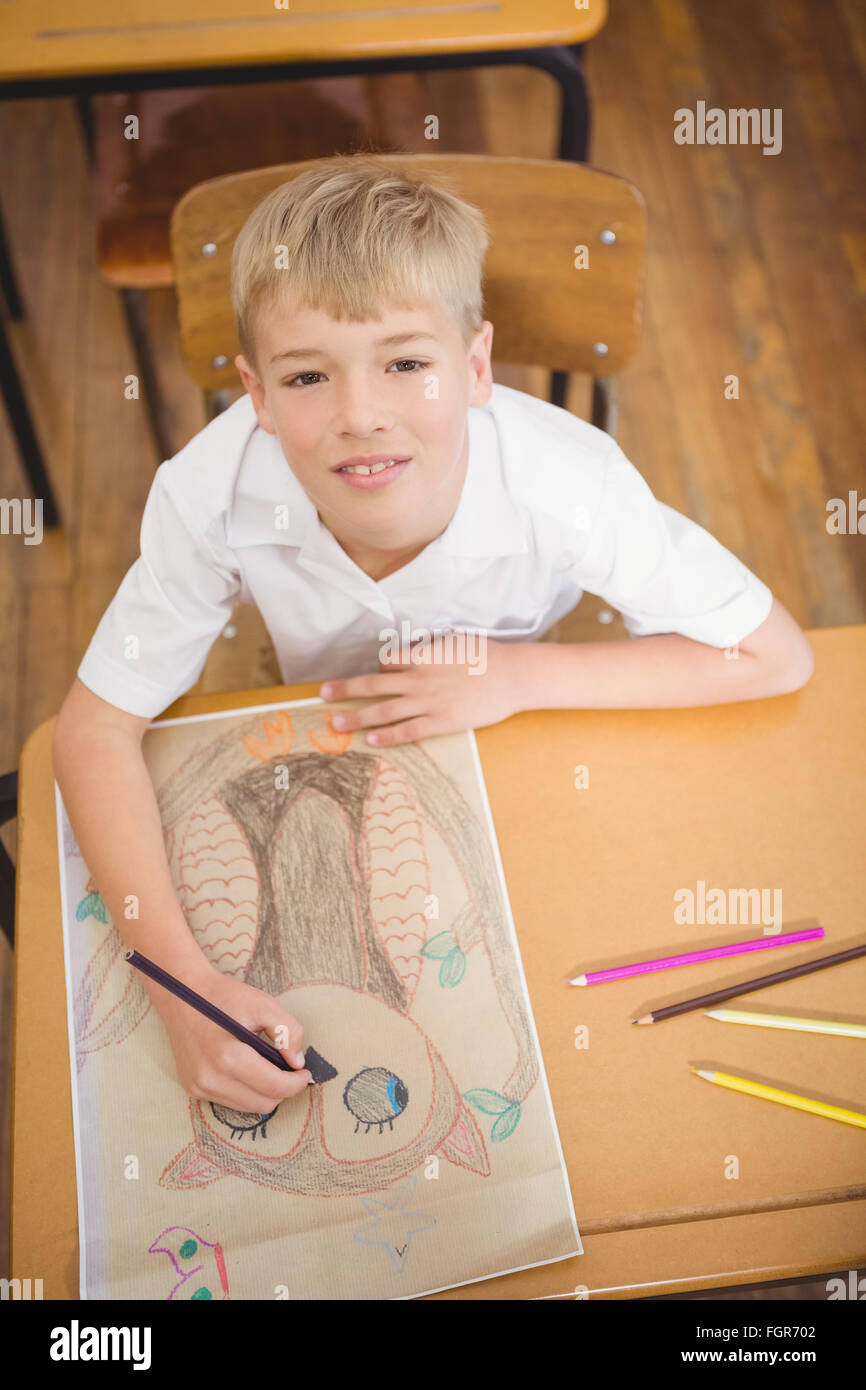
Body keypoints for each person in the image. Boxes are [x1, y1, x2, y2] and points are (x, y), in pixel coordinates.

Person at [52, 154, 814, 1119]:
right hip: (338, 745)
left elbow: (777, 656)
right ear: (253, 392)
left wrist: (518, 676)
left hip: (521, 747)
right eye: (306, 376)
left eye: (406, 362)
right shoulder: (210, 495)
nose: (361, 417)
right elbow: (91, 732)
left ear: (478, 366)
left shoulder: (570, 487)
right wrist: (183, 989)